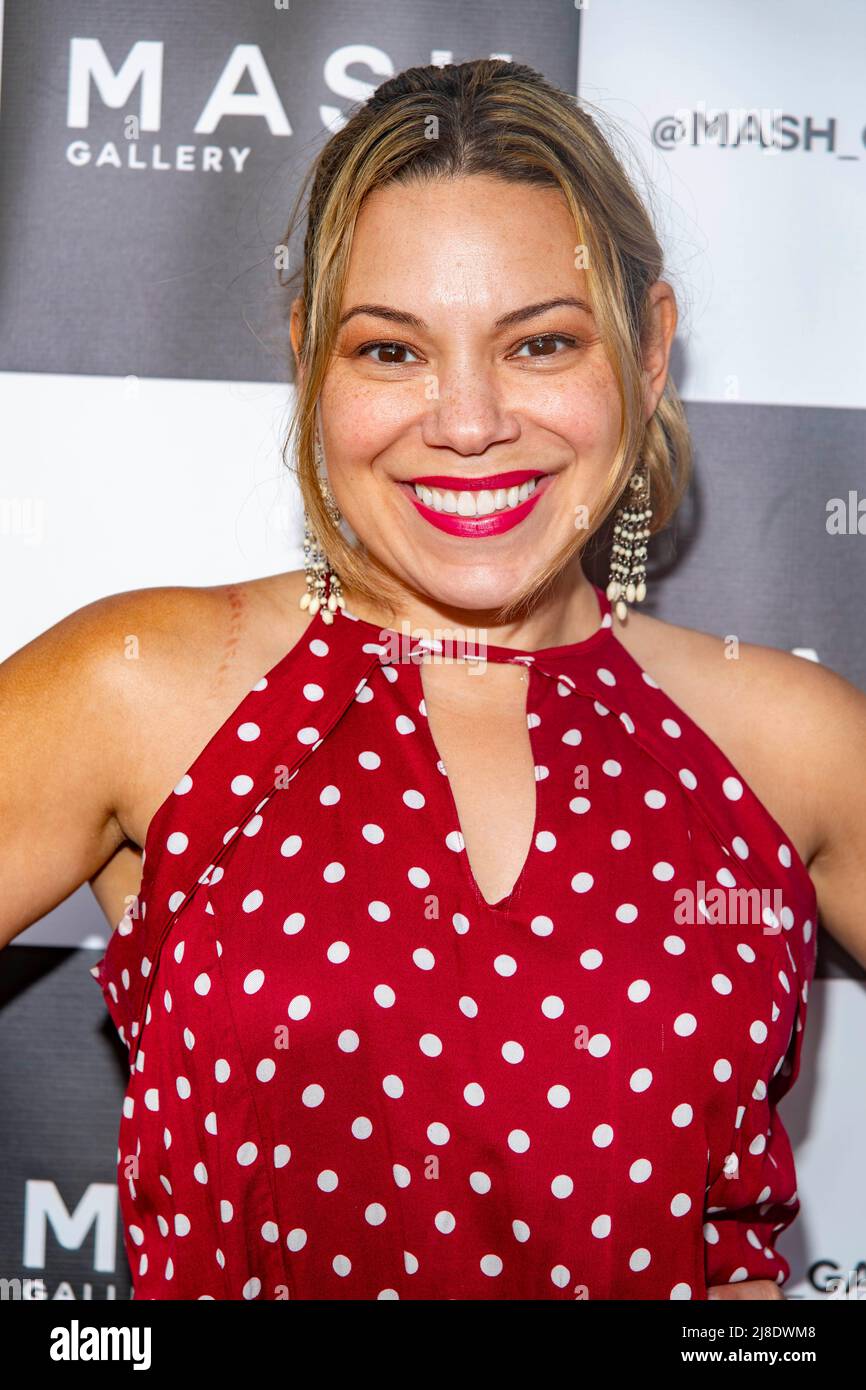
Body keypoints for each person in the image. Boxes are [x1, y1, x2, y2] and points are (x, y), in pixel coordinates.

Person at [2, 59, 864, 1302]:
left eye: (542, 342)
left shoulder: (790, 739)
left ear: (650, 348)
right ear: (312, 361)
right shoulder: (141, 690)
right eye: (392, 350)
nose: (466, 421)